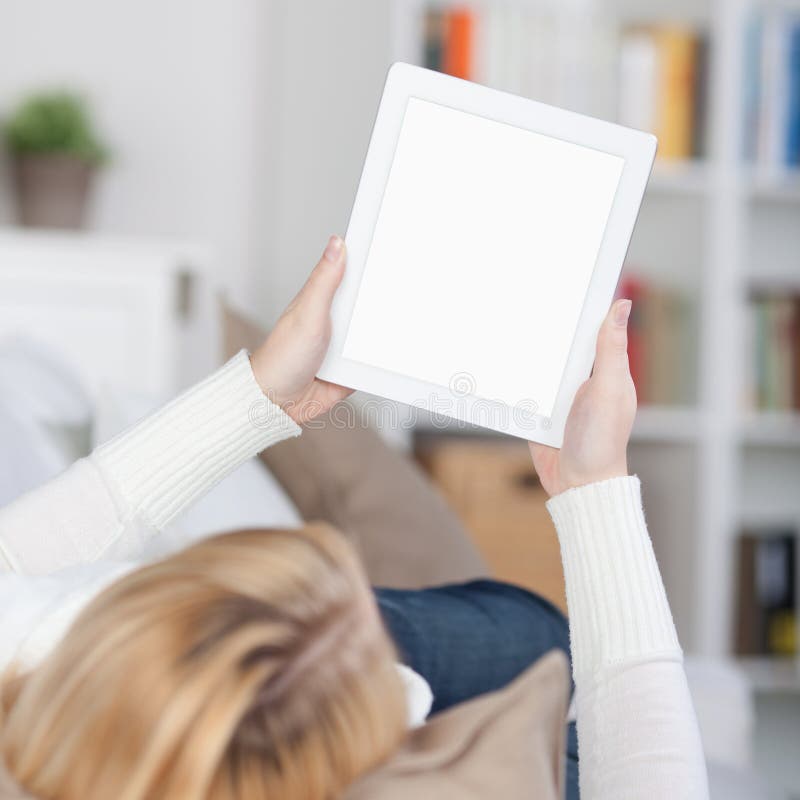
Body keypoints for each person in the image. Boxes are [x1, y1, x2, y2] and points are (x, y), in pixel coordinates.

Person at [0, 236, 709, 799]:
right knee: (545, 654)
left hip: (200, 647)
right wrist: (595, 491)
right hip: (239, 666)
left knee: (526, 634)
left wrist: (258, 399)